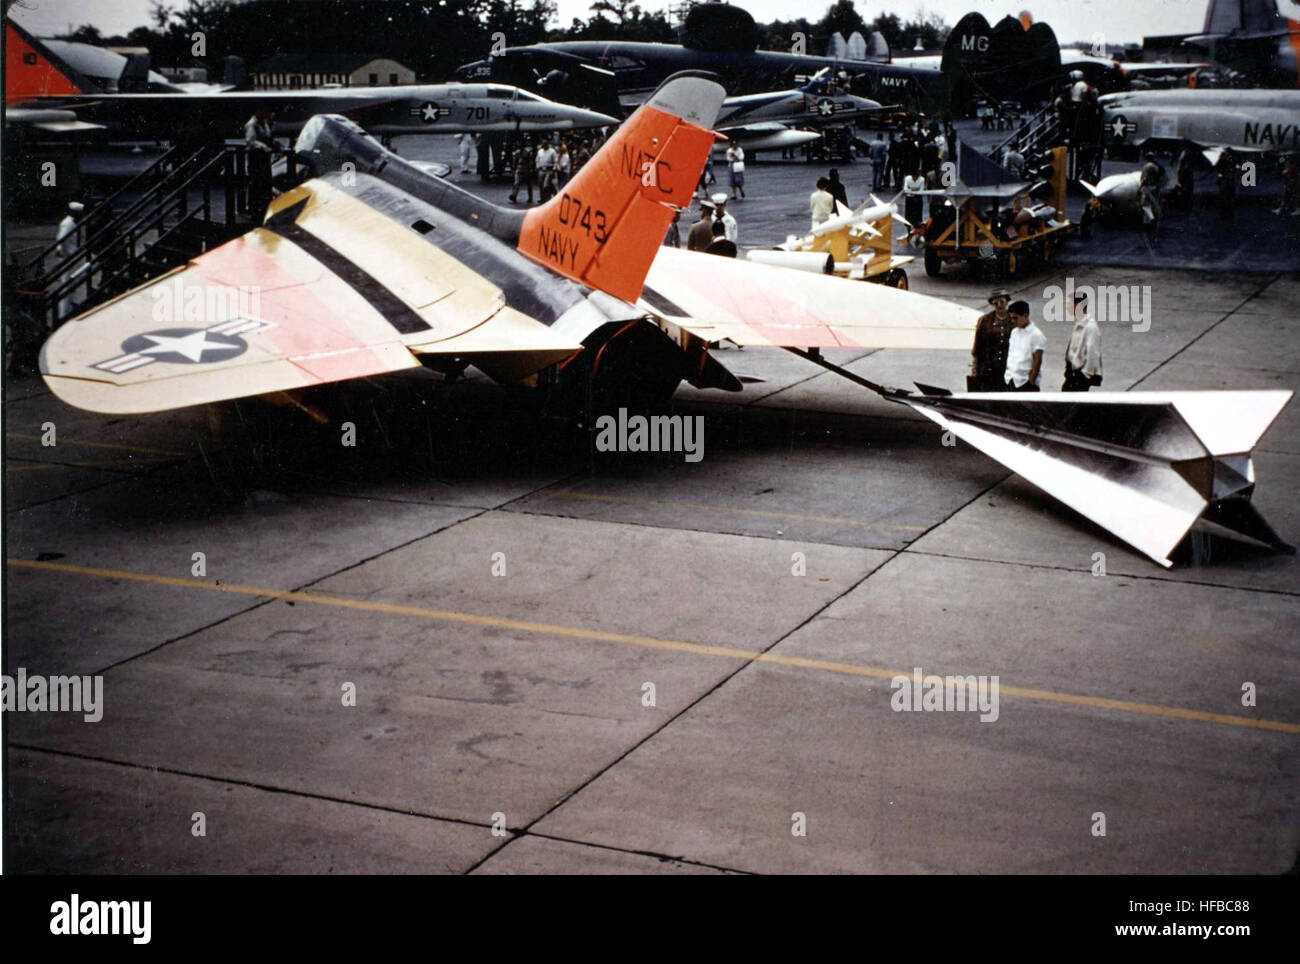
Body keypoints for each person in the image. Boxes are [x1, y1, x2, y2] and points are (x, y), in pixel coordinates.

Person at [969, 287, 1013, 391]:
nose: (999, 305)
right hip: (988, 366)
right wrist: (975, 366)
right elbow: (977, 345)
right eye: (995, 303)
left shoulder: (1014, 319)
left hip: (1008, 365)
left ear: (1007, 302)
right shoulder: (985, 320)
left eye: (1002, 302)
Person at [1062, 291, 1102, 391]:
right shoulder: (1080, 324)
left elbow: (1092, 353)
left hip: (1079, 375)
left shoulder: (1090, 327)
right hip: (1072, 371)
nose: (1067, 307)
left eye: (1069, 304)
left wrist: (1085, 375)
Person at [1004, 299, 1046, 392]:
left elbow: (1037, 360)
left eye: (1015, 318)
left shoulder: (1036, 335)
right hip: (1011, 379)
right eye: (1011, 318)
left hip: (1025, 382)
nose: (1013, 321)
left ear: (1025, 315)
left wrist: (1031, 381)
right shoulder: (1014, 332)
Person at [244, 107, 277, 215]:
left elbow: (268, 137)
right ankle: (252, 207)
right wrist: (263, 146)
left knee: (265, 181)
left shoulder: (264, 123)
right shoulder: (252, 124)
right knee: (255, 182)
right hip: (255, 157)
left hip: (264, 157)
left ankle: (263, 206)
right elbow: (251, 140)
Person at [535, 137, 558, 202]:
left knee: (546, 185)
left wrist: (553, 169)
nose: (544, 145)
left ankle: (547, 198)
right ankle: (543, 198)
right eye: (543, 143)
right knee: (540, 184)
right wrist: (538, 167)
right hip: (541, 169)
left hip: (549, 170)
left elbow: (555, 161)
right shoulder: (540, 151)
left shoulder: (552, 151)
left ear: (548, 144)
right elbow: (537, 160)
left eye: (545, 143)